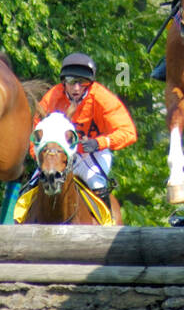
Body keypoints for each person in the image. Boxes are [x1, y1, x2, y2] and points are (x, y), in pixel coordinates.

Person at [33, 53, 137, 201]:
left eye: (82, 82)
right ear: (63, 82)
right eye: (71, 81)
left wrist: (99, 143)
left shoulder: (102, 98)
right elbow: (36, 131)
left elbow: (128, 132)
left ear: (90, 82)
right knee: (32, 185)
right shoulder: (52, 97)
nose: (76, 88)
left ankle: (107, 222)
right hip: (57, 154)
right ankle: (15, 219)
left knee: (97, 184)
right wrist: (39, 155)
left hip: (92, 154)